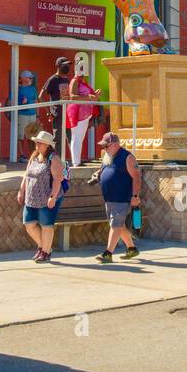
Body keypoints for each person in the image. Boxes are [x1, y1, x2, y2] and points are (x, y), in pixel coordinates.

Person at [16, 129, 65, 263]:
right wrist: (21, 191)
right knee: (29, 224)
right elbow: (26, 175)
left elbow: (58, 179)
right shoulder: (34, 157)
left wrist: (53, 197)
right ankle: (43, 246)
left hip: (46, 198)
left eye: (40, 143)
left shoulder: (53, 159)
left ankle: (45, 252)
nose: (37, 145)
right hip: (31, 199)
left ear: (48, 145)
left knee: (46, 226)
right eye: (36, 142)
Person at [93, 132, 140, 263]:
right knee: (119, 225)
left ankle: (107, 253)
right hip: (109, 198)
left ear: (115, 145)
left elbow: (136, 177)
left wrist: (135, 196)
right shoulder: (108, 156)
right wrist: (98, 175)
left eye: (106, 146)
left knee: (116, 225)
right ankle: (132, 248)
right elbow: (104, 170)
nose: (104, 149)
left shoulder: (128, 157)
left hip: (122, 198)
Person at [65, 67, 99, 167]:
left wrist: (94, 96)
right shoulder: (75, 81)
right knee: (76, 137)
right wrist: (89, 97)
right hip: (77, 112)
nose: (83, 72)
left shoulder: (82, 81)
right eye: (81, 70)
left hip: (83, 113)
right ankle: (76, 162)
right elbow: (72, 96)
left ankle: (77, 160)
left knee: (79, 137)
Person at [39, 57, 71, 134]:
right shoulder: (52, 79)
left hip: (68, 114)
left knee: (71, 140)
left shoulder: (67, 79)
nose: (67, 67)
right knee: (58, 141)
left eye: (68, 65)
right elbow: (41, 96)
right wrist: (48, 113)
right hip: (57, 115)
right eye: (65, 65)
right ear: (58, 66)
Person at [8, 72, 38, 150]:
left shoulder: (33, 89)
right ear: (23, 78)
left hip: (33, 115)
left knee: (32, 137)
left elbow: (36, 102)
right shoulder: (17, 89)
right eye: (29, 78)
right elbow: (10, 102)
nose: (31, 79)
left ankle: (32, 155)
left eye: (31, 78)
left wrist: (37, 116)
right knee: (20, 136)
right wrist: (21, 103)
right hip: (22, 115)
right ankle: (22, 155)